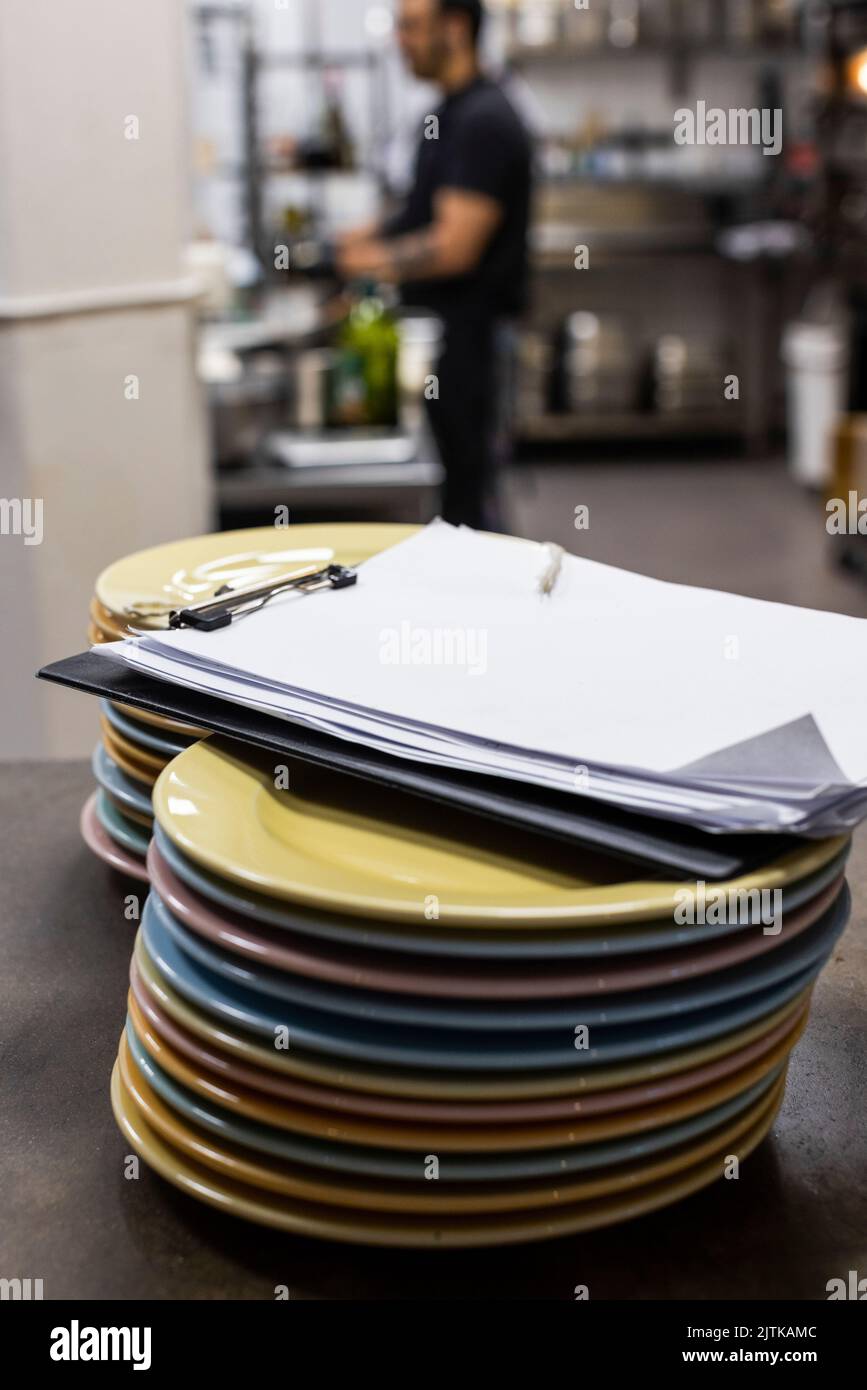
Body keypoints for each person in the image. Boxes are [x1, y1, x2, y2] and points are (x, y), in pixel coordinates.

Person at [337, 0, 533, 530]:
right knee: (452, 492)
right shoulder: (445, 114)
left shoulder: (485, 120)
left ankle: (488, 610)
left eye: (411, 26)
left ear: (456, 26)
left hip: (473, 345)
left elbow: (454, 246)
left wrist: (368, 262)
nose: (400, 39)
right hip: (443, 339)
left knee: (470, 503)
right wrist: (358, 237)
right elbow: (419, 210)